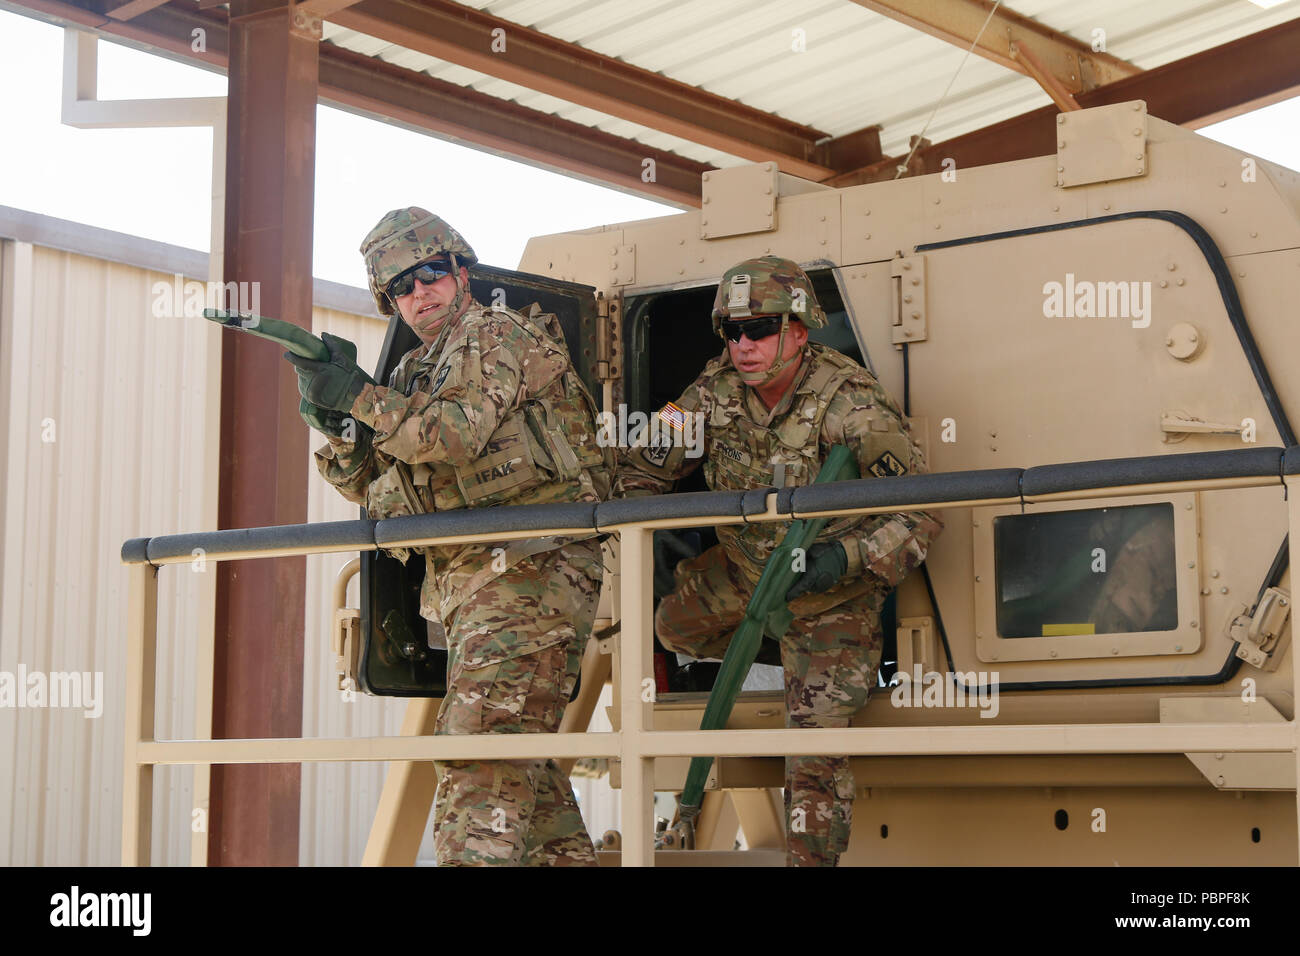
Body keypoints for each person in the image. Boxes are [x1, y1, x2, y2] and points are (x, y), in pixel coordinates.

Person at [287, 207, 612, 866]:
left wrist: (361, 397)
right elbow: (370, 481)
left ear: (461, 270)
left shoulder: (499, 335)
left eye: (430, 273)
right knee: (529, 780)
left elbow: (451, 436)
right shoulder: (414, 374)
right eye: (401, 287)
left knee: (478, 757)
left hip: (534, 578)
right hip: (470, 591)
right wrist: (334, 416)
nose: (420, 293)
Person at [616, 256, 943, 866]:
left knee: (812, 760)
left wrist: (842, 559)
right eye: (732, 332)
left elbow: (921, 515)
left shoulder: (851, 405)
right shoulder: (712, 392)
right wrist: (630, 508)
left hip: (831, 598)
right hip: (747, 573)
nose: (744, 345)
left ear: (799, 328)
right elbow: (643, 462)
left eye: (760, 329)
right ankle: (777, 645)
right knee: (671, 626)